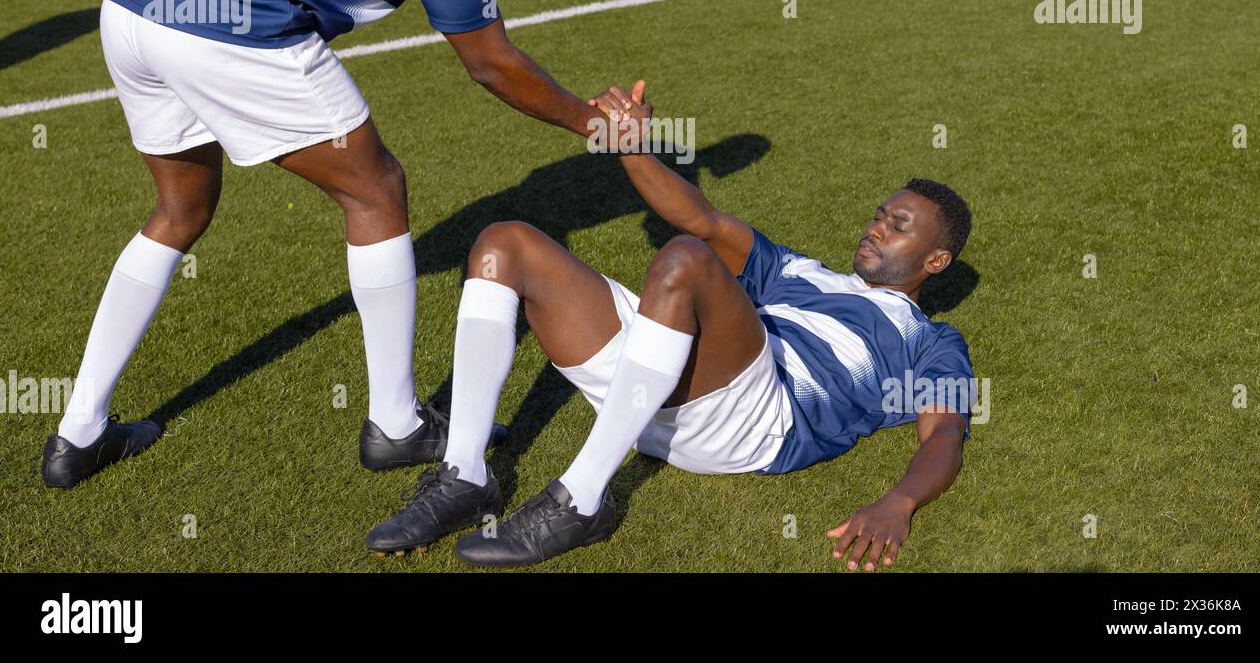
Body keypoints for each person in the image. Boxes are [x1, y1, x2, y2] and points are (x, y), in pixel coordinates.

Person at [43, 0, 617, 488]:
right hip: (223, 21)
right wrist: (589, 118)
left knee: (180, 210)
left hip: (134, 0)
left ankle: (78, 431)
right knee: (375, 188)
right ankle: (395, 421)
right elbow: (488, 63)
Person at [366, 81, 978, 570]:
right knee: (505, 243)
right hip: (658, 390)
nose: (876, 228)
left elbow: (944, 435)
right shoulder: (798, 270)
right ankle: (466, 473)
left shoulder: (930, 340)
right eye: (878, 216)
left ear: (936, 261)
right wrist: (630, 144)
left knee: (687, 261)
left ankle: (582, 498)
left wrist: (898, 503)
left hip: (755, 422)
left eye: (898, 226)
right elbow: (704, 217)